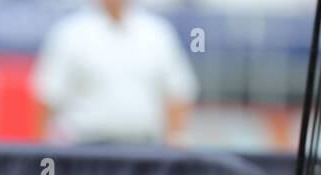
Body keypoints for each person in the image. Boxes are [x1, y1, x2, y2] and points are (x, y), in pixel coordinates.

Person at [31, 0, 198, 146]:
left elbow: (178, 90)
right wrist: (44, 149)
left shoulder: (157, 32)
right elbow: (48, 93)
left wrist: (175, 135)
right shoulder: (70, 32)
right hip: (85, 148)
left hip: (145, 148)